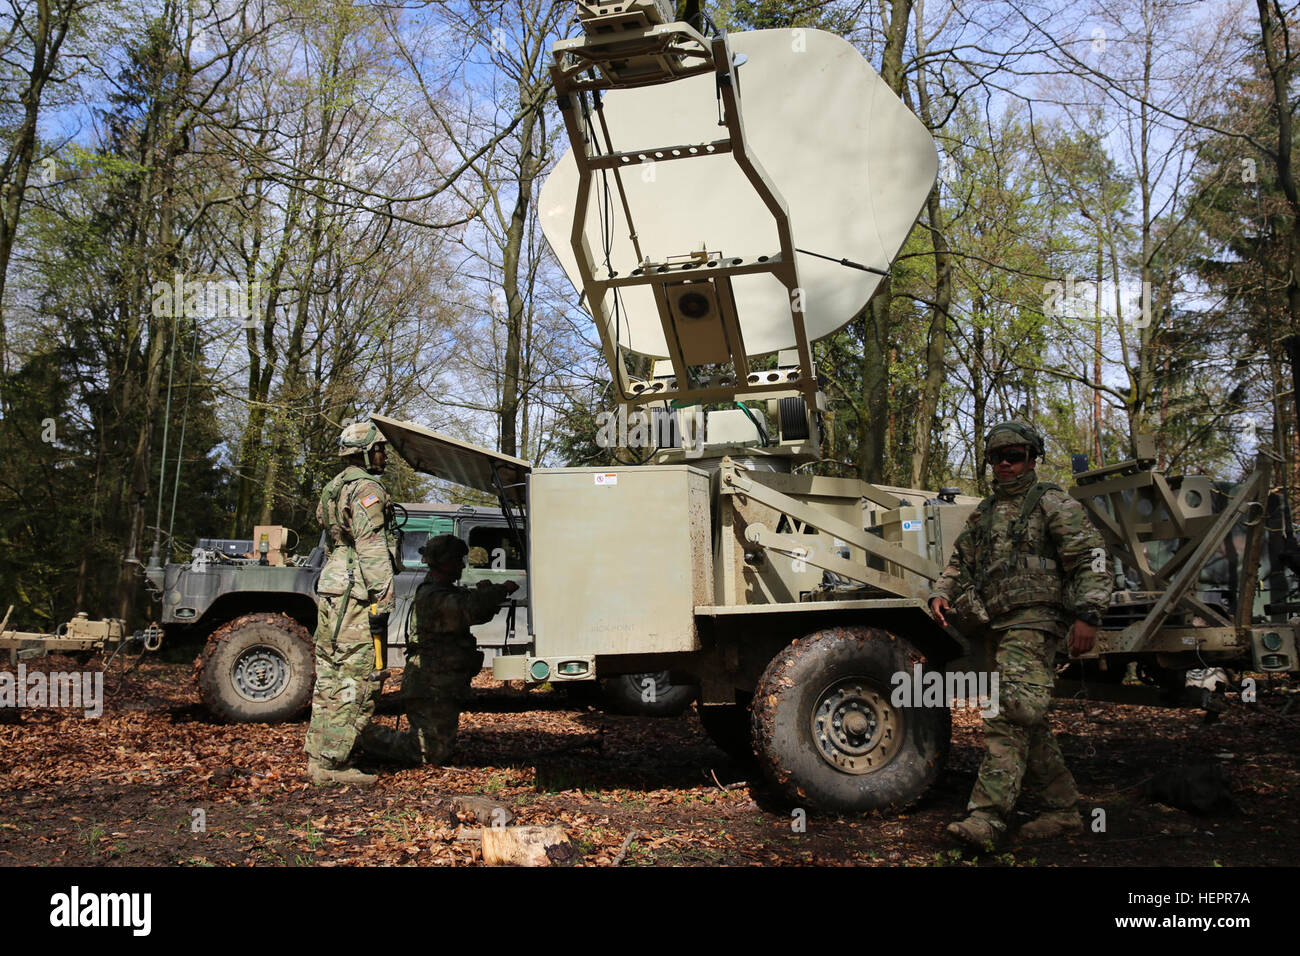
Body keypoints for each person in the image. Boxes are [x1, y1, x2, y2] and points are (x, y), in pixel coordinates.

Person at [928, 420, 1112, 848]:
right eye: (998, 457)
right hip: (995, 624)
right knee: (1028, 718)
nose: (1006, 464)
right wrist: (942, 592)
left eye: (1015, 456)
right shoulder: (985, 512)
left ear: (1032, 458)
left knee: (1008, 715)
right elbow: (959, 562)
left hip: (1036, 623)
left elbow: (1092, 559)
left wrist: (1089, 615)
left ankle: (986, 819)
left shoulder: (1052, 503)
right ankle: (1062, 810)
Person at [361, 534, 519, 766]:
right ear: (443, 562)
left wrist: (487, 592)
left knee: (439, 746)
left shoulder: (442, 590)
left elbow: (473, 605)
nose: (462, 565)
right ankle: (360, 736)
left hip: (439, 684)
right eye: (457, 560)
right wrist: (500, 590)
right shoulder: (433, 596)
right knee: (430, 752)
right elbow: (471, 609)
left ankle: (363, 736)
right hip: (429, 685)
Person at [304, 421, 399, 787]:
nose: (384, 456)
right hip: (355, 591)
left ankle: (320, 752)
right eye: (380, 449)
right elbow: (371, 544)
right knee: (358, 674)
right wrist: (383, 597)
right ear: (364, 452)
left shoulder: (333, 488)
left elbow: (330, 535)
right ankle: (332, 763)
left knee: (329, 671)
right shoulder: (367, 488)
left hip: (332, 584)